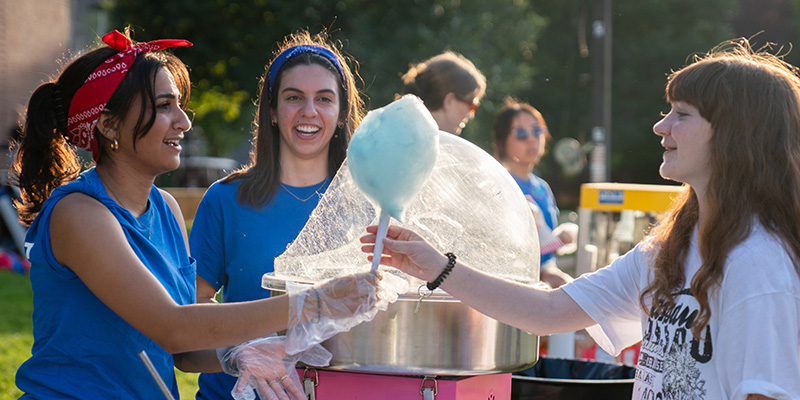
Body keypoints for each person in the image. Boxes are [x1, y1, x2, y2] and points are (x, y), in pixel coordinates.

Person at [361, 39, 800, 400]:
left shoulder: (760, 265)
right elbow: (549, 311)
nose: (660, 127)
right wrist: (438, 267)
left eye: (681, 114)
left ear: (735, 136)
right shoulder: (671, 247)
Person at [11, 29, 384, 400]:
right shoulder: (78, 213)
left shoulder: (167, 210)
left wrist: (237, 354)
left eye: (178, 104)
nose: (183, 121)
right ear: (108, 124)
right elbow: (173, 327)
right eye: (162, 106)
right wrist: (314, 302)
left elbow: (185, 350)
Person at [188, 30, 365, 400]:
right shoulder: (225, 200)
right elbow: (190, 316)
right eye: (293, 97)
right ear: (271, 110)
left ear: (342, 113)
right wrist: (236, 352)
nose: (309, 112)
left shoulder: (367, 207)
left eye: (324, 99)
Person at [491, 98, 576, 288]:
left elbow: (544, 252)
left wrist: (560, 238)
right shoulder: (495, 185)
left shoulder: (542, 188)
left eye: (537, 130)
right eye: (521, 133)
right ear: (501, 141)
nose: (531, 138)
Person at [401, 51, 486, 135]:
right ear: (449, 101)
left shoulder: (400, 128)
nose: (471, 115)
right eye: (471, 105)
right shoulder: (420, 144)